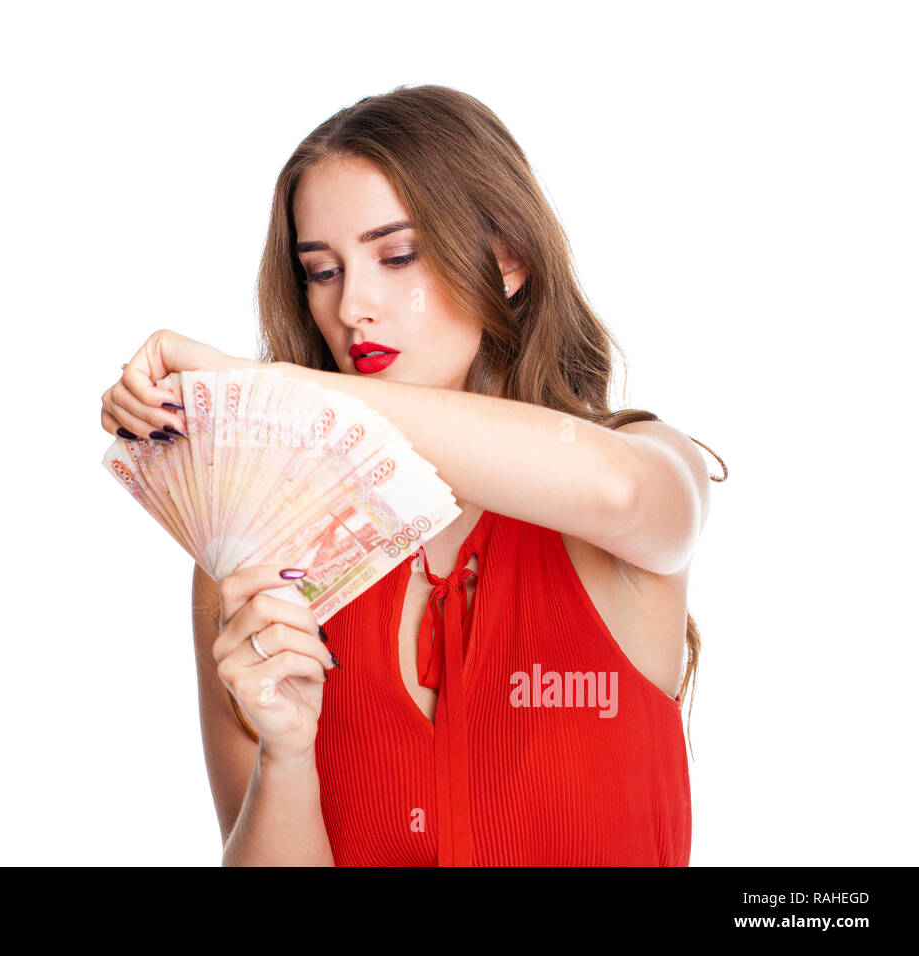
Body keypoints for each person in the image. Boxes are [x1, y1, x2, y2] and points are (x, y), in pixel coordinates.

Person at [99, 84, 727, 866]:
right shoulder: (257, 538)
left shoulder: (644, 473)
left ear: (508, 260)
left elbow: (617, 490)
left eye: (397, 256)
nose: (353, 306)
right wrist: (286, 757)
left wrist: (264, 390)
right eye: (321, 272)